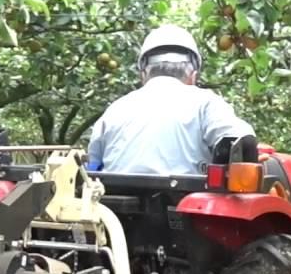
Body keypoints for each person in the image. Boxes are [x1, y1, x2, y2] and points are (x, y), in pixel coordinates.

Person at [86, 25, 256, 175]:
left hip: (111, 208)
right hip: (186, 207)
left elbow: (92, 168)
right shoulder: (205, 103)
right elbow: (242, 141)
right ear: (193, 76)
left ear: (143, 75)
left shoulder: (116, 109)